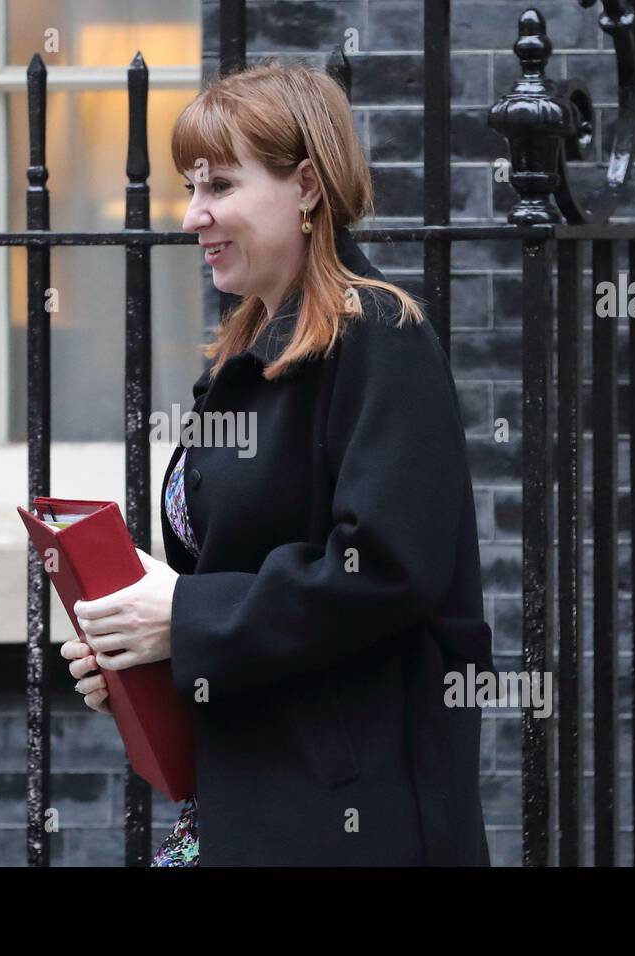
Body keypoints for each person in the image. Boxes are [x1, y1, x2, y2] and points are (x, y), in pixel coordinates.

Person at [60, 60, 493, 867]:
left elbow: (388, 568)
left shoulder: (379, 336)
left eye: (221, 185)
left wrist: (183, 615)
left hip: (341, 818)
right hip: (246, 795)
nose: (194, 214)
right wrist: (144, 647)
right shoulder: (249, 349)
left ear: (307, 187)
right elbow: (235, 574)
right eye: (191, 188)